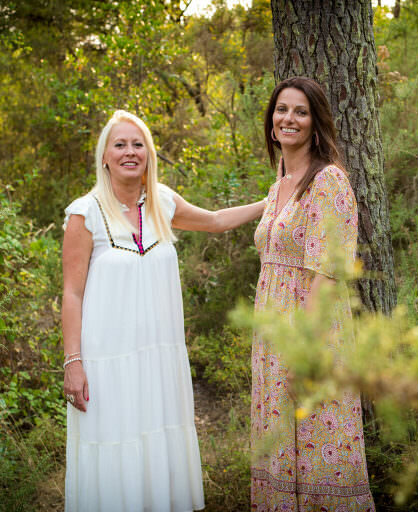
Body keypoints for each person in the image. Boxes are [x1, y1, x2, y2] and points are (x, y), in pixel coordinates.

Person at [62, 110, 265, 512]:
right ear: (104, 155)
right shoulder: (84, 214)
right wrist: (73, 362)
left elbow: (217, 220)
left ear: (150, 154)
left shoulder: (163, 202)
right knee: (114, 442)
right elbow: (71, 293)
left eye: (138, 144)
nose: (129, 152)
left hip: (159, 358)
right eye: (120, 144)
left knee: (157, 438)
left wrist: (271, 199)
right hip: (107, 362)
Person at [250, 77, 375, 511]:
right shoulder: (279, 185)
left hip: (311, 336)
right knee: (282, 444)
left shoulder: (329, 182)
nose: (289, 118)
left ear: (315, 123)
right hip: (272, 339)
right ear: (271, 122)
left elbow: (328, 274)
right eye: (281, 110)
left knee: (319, 442)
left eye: (300, 111)